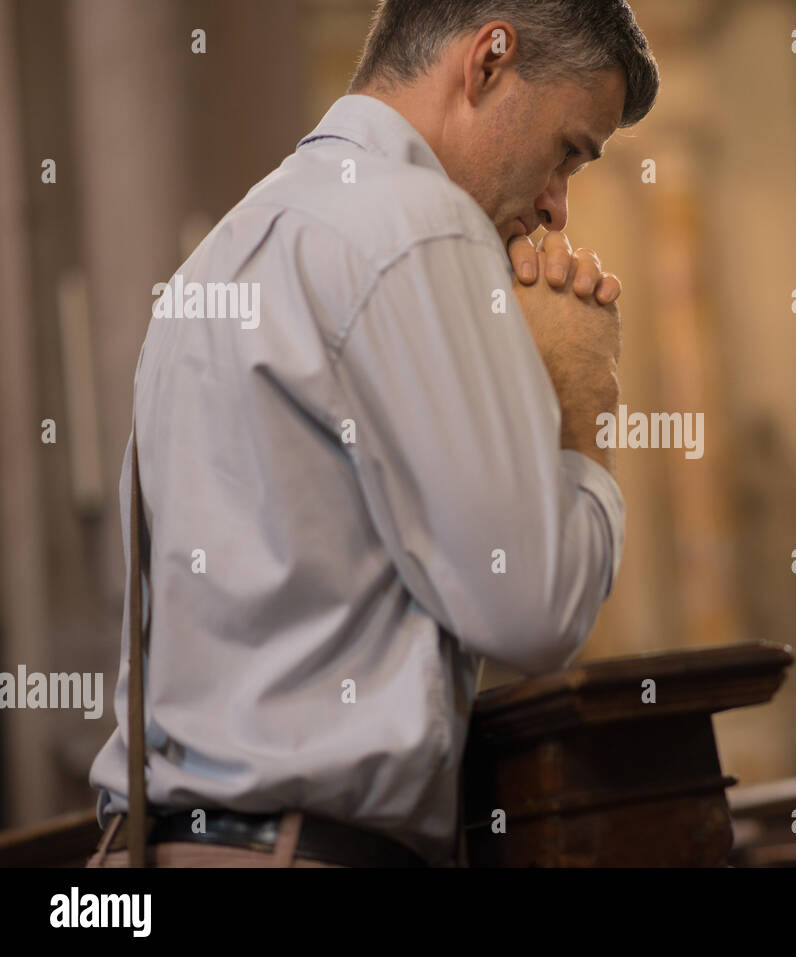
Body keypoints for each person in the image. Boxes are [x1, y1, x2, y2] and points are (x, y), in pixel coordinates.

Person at [85, 0, 659, 868]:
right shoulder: (420, 223)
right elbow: (534, 610)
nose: (557, 207)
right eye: (569, 151)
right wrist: (583, 402)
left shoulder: (224, 251)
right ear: (489, 59)